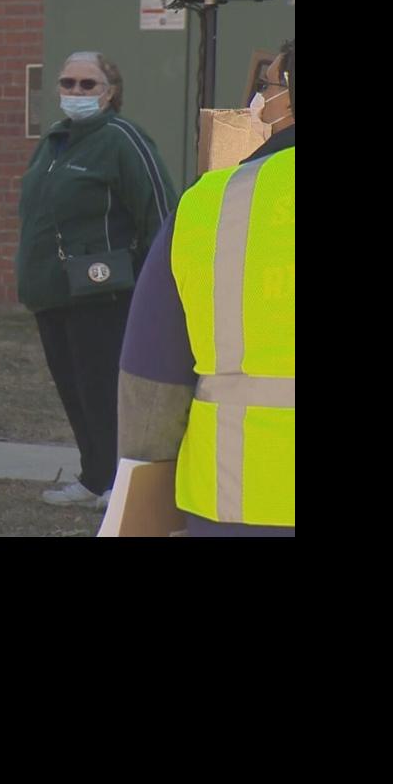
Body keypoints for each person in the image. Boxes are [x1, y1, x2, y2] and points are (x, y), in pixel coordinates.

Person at [117, 42, 294, 536]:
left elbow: (152, 378)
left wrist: (141, 486)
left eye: (270, 85)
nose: (261, 99)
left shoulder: (214, 202)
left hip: (238, 501)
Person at [15, 50, 177, 512]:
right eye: (68, 83)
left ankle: (120, 484)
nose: (76, 92)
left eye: (88, 85)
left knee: (105, 390)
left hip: (104, 293)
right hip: (53, 293)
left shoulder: (123, 139)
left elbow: (160, 212)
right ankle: (94, 475)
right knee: (74, 389)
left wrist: (159, 288)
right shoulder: (53, 140)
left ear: (111, 92)